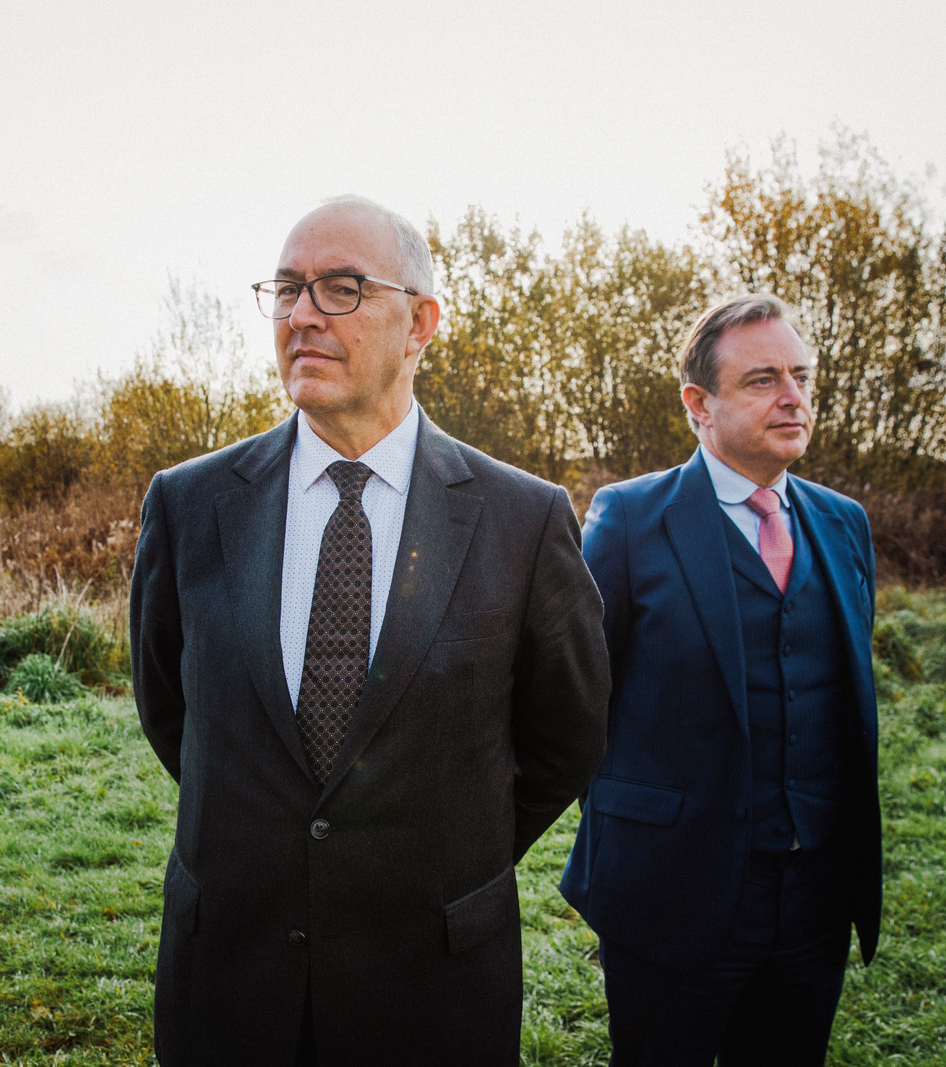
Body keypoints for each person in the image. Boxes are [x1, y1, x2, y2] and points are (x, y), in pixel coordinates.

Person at [130, 195, 610, 1066]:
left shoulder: (523, 518)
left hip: (432, 989)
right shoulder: (189, 503)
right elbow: (174, 712)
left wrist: (441, 850)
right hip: (230, 980)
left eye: (342, 288)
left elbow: (566, 736)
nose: (303, 313)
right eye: (287, 288)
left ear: (421, 323)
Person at [559, 294, 882, 1066]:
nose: (794, 397)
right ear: (699, 404)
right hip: (672, 893)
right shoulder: (631, 519)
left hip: (814, 898)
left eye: (801, 376)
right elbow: (573, 699)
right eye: (764, 379)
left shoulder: (844, 522)